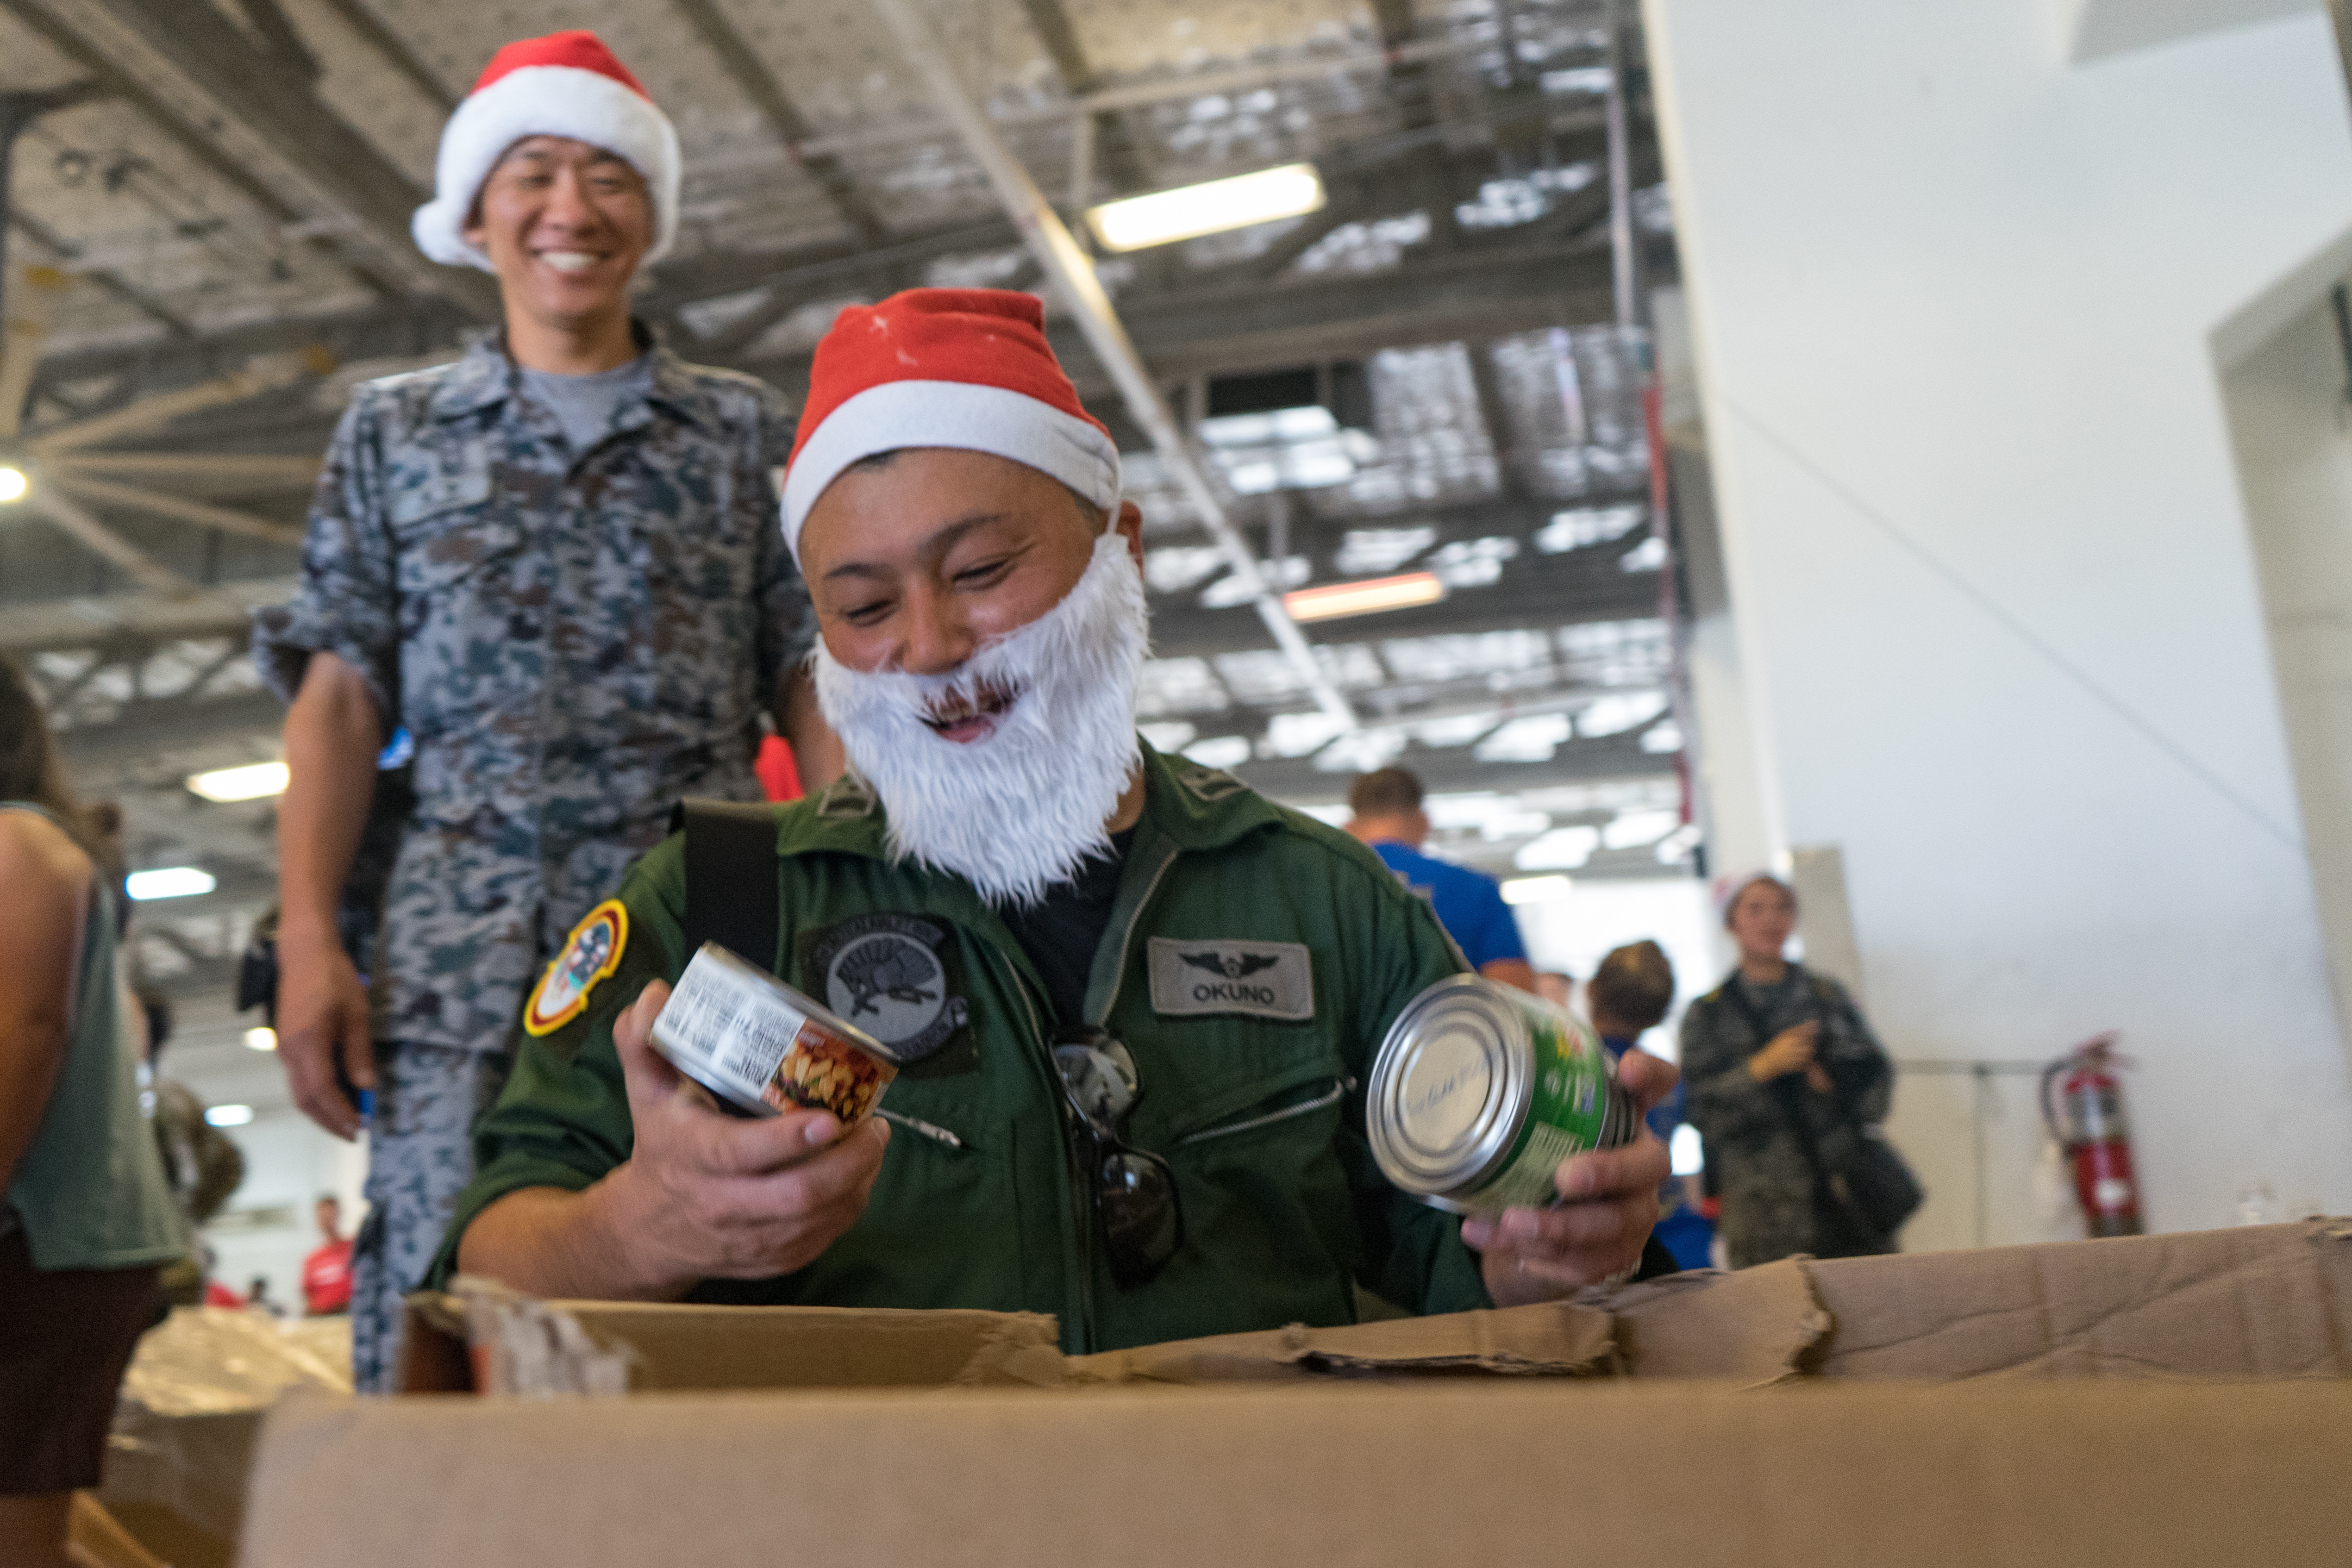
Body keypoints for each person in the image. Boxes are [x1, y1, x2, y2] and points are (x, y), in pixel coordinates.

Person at [432, 288, 1676, 1349]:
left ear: (1116, 547)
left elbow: (1469, 1267)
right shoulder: (721, 901)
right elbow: (483, 1267)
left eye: (981, 573)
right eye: (863, 609)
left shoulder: (1317, 900)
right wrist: (642, 1226)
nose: (931, 649)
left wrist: (1548, 1255)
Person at [252, 29, 841, 1391]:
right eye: (532, 173)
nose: (571, 209)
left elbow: (812, 674)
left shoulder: (741, 432)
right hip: (451, 951)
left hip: (701, 934)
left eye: (608, 176)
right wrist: (303, 939)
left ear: (652, 215)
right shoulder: (395, 433)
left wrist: (843, 906)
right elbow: (338, 693)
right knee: (432, 1297)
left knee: (720, 1267)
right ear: (474, 212)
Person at [0, 656, 183, 1568]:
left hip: (44, 1242)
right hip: (54, 1240)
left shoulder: (19, 840)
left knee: (22, 1531)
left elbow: (26, 1032)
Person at [1679, 874, 1898, 1267]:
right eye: (1755, 908)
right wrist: (1760, 1068)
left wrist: (1835, 1082)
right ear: (1731, 922)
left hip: (1843, 1197)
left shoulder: (1825, 997)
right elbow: (1698, 1111)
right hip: (1762, 1214)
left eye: (1783, 907)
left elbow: (1876, 1083)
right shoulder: (1707, 1014)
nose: (1771, 919)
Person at [1344, 768, 1536, 992]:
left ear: (1349, 828)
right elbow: (1514, 994)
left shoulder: (1326, 893)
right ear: (1424, 823)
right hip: (1451, 1024)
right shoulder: (1477, 889)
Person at [1585, 941, 1714, 1271]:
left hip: (1612, 1245)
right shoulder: (1667, 1079)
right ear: (1659, 1013)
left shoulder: (1578, 1072)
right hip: (1684, 1241)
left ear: (1591, 991)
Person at [301, 1195, 355, 1317]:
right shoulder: (312, 1259)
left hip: (348, 1315)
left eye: (330, 1215)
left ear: (339, 1216)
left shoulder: (353, 1249)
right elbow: (308, 1297)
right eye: (322, 1216)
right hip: (321, 1318)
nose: (326, 1220)